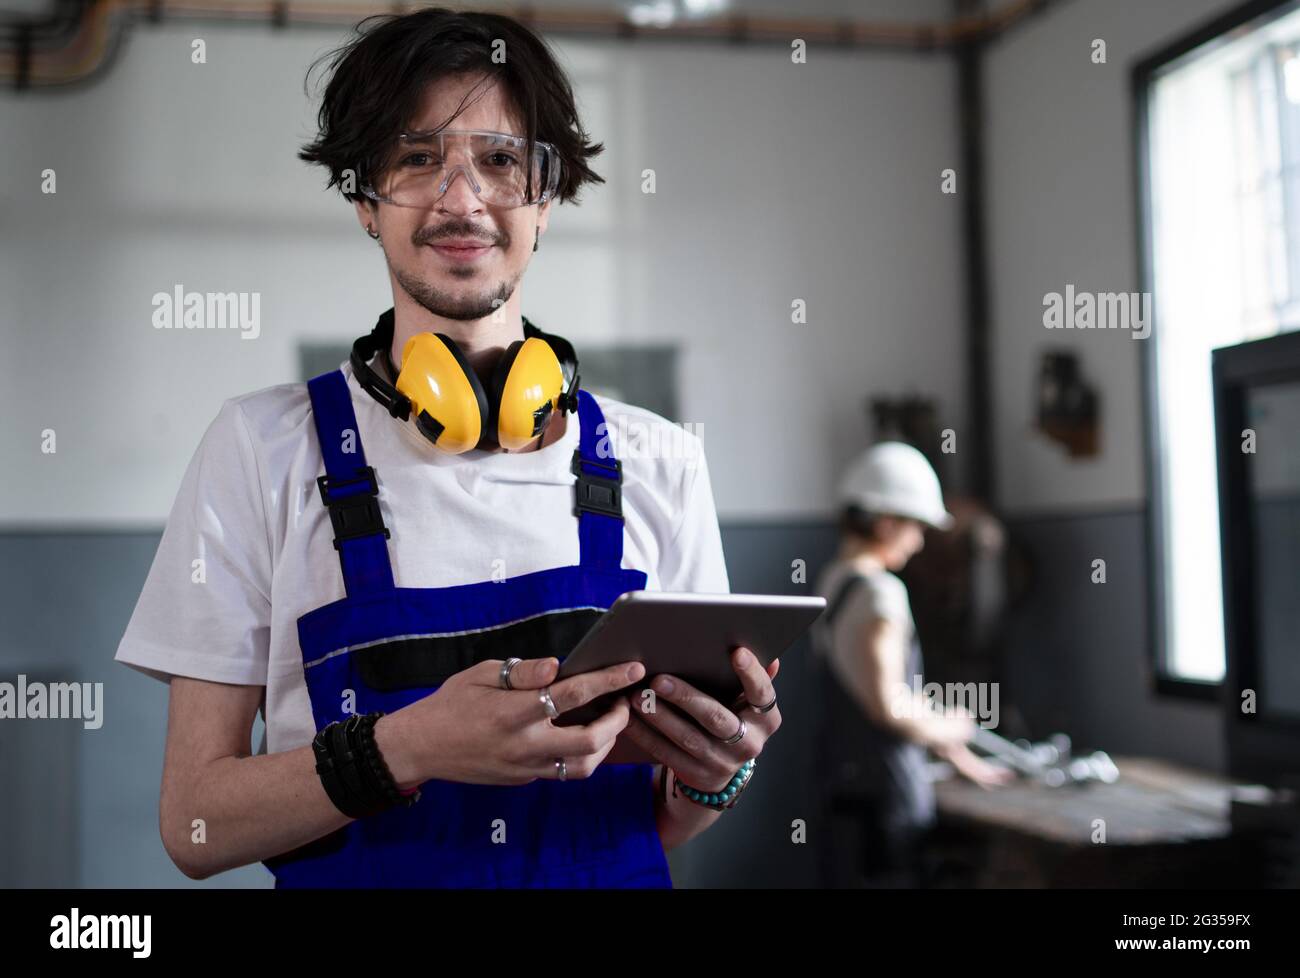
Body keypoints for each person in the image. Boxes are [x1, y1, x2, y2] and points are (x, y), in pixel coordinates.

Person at [114, 8, 782, 888]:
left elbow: (658, 822)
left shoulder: (659, 461)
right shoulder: (260, 450)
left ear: (546, 200)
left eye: (502, 161)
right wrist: (407, 747)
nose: (461, 199)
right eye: (417, 157)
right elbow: (195, 828)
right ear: (364, 198)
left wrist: (720, 770)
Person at [812, 442, 1010, 887]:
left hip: (843, 790)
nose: (919, 542)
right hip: (885, 800)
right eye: (916, 527)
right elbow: (887, 704)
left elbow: (867, 684)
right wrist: (952, 727)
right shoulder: (882, 593)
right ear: (886, 522)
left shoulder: (835, 579)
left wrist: (951, 751)